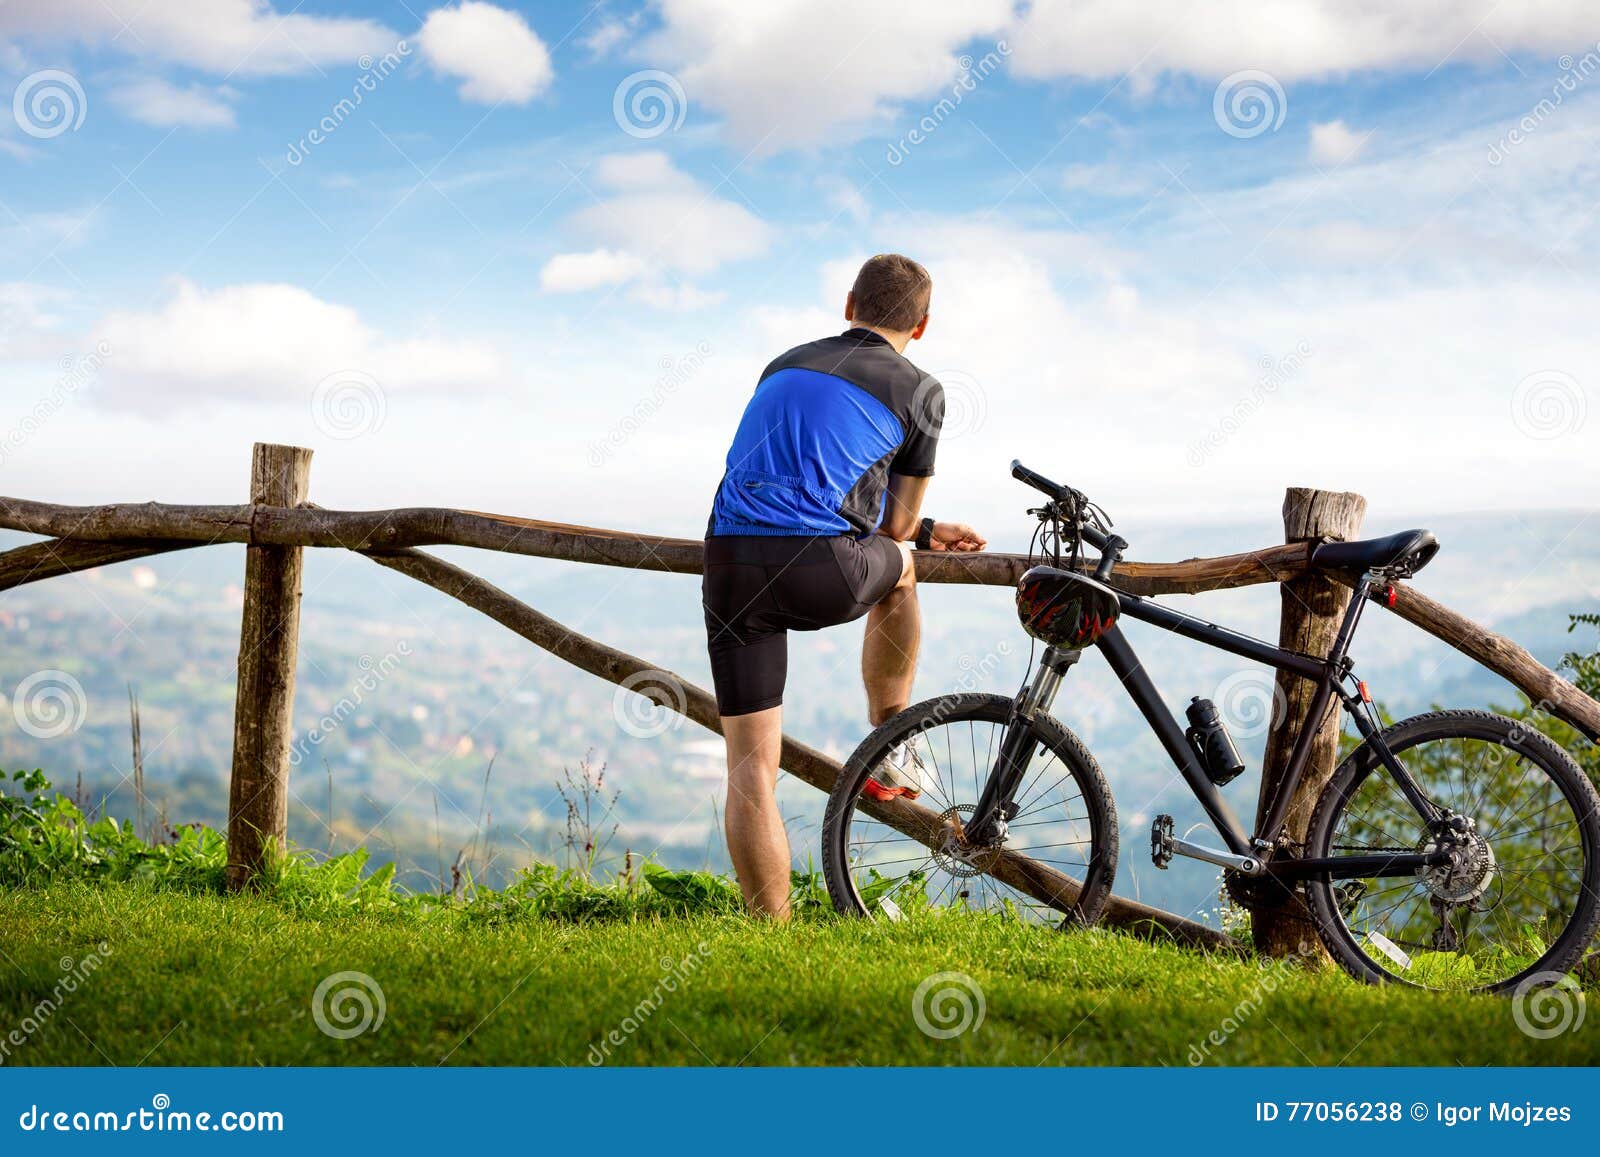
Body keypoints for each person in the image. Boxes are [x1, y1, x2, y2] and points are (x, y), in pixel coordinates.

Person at [701, 253, 987, 919]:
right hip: (819, 569)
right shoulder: (922, 389)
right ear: (922, 327)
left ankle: (769, 934)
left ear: (849, 302)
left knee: (749, 771)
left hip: (731, 564)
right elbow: (898, 527)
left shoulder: (782, 363)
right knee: (903, 567)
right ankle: (893, 742)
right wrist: (926, 531)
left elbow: (802, 468)